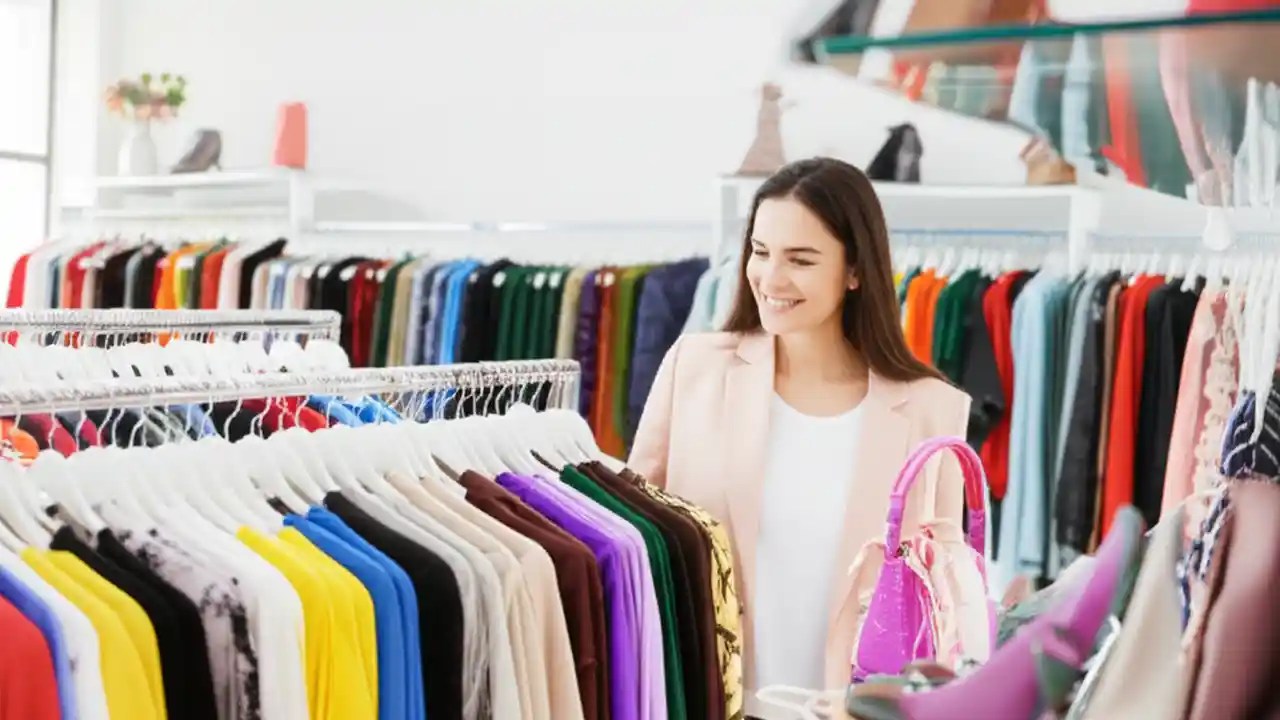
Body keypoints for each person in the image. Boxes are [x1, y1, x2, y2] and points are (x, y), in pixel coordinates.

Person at [628, 157, 971, 718]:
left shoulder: (932, 411)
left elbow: (942, 603)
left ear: (855, 270)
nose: (770, 279)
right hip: (707, 699)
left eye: (801, 259)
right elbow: (636, 537)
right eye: (760, 252)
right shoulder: (695, 370)